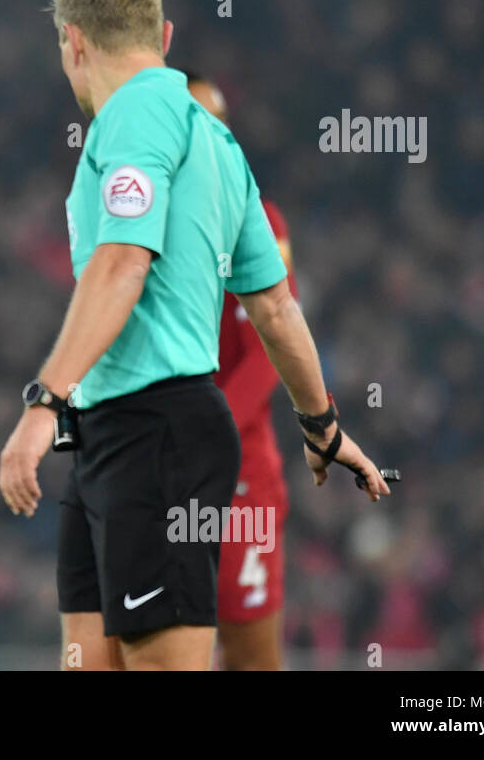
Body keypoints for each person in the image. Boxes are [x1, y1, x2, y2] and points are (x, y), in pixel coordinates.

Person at [0, 0, 388, 672]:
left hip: (155, 435)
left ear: (73, 41)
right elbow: (274, 306)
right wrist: (321, 424)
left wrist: (43, 401)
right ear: (165, 35)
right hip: (112, 435)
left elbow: (124, 262)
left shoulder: (133, 112)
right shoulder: (218, 142)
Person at [185, 70, 295, 671]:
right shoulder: (130, 225)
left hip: (237, 474)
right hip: (152, 471)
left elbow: (269, 354)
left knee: (249, 655)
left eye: (219, 127)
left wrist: (202, 429)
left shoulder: (258, 221)